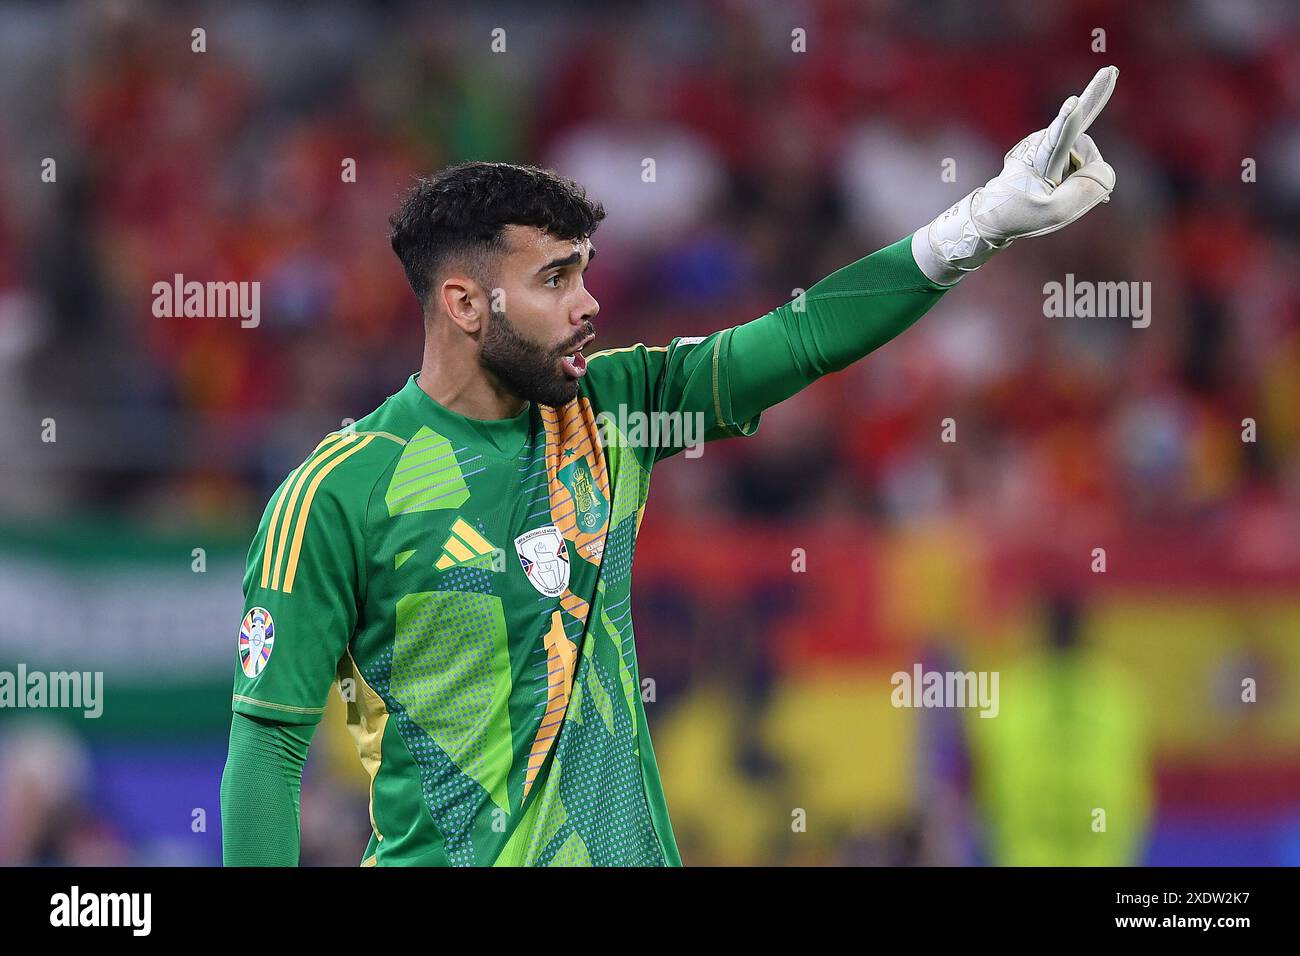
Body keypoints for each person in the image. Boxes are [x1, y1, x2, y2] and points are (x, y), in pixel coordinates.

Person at [220, 68, 1120, 866]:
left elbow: (800, 337)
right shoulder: (338, 492)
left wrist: (983, 222)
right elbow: (267, 748)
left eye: (586, 273)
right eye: (555, 280)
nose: (589, 303)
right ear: (463, 303)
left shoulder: (617, 410)